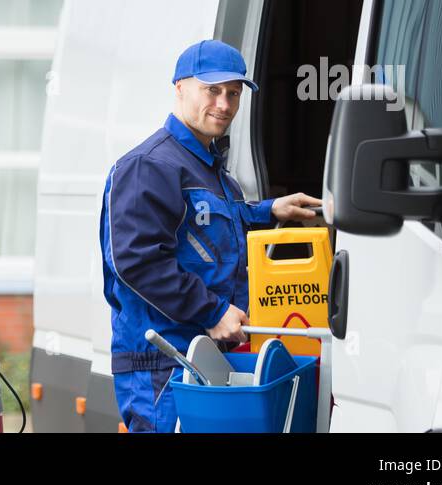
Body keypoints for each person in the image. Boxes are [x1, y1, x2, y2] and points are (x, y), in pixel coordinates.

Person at [100, 40, 321, 433]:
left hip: (209, 363)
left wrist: (268, 211)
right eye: (212, 91)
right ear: (180, 87)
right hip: (164, 366)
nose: (224, 105)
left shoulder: (214, 173)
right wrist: (212, 311)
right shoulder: (148, 166)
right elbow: (136, 261)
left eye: (233, 94)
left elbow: (210, 227)